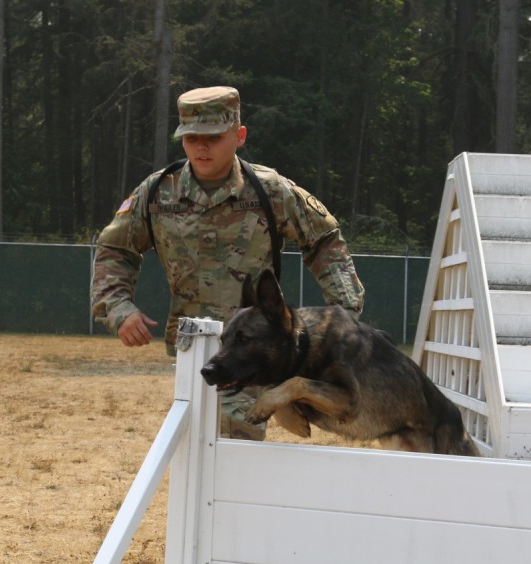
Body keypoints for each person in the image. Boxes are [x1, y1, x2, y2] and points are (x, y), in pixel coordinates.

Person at [91, 86, 365, 439]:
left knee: (233, 437)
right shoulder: (158, 192)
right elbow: (115, 249)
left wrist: (344, 315)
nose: (201, 147)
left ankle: (280, 403)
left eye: (213, 138)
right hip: (191, 348)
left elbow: (325, 241)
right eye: (191, 138)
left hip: (254, 347)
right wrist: (119, 307)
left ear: (239, 136)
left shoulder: (270, 191)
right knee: (195, 440)